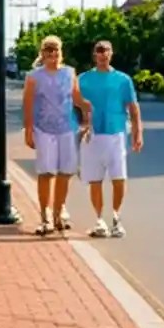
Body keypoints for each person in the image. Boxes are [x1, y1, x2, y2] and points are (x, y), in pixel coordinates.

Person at [23, 36, 92, 235]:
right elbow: (28, 104)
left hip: (67, 128)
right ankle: (45, 215)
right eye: (48, 52)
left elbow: (76, 97)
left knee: (65, 171)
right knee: (46, 172)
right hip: (44, 128)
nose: (53, 56)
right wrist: (28, 129)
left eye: (56, 52)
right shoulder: (34, 76)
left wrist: (88, 108)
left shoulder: (69, 73)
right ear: (43, 54)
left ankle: (59, 210)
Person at [76, 40, 143, 238]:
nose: (103, 54)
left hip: (116, 133)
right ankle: (99, 220)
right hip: (92, 135)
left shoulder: (123, 80)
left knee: (118, 177)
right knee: (95, 179)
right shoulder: (83, 79)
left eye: (106, 51)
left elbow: (133, 107)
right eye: (99, 51)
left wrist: (138, 132)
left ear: (111, 54)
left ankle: (116, 217)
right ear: (94, 55)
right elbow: (73, 104)